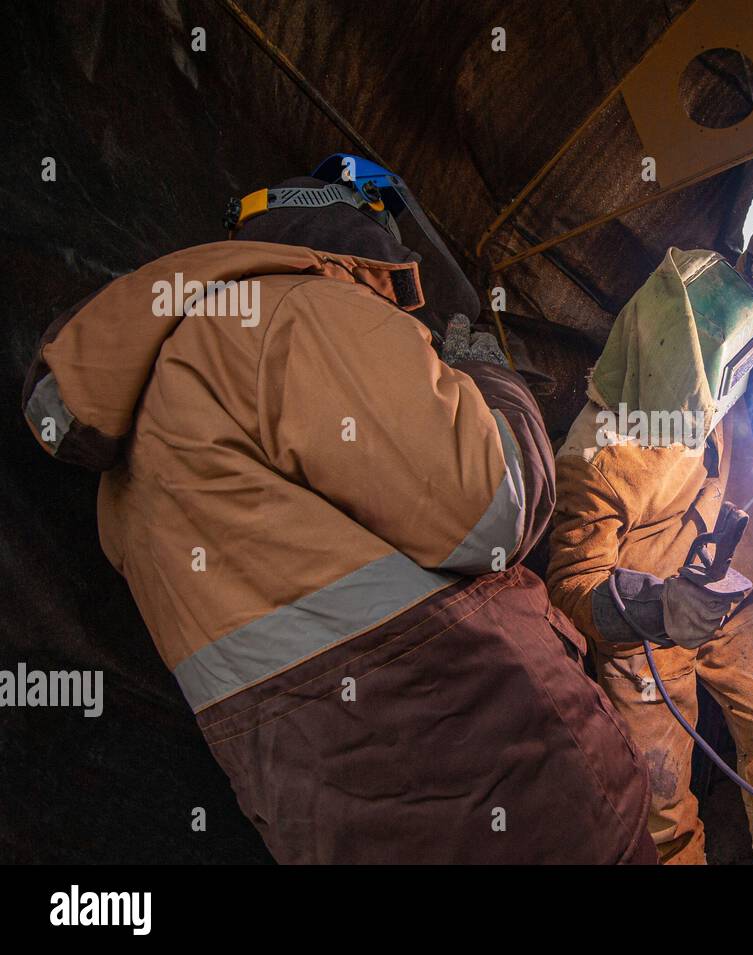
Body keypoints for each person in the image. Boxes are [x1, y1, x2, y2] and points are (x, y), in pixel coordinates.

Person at [21, 155, 655, 864]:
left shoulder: (135, 453)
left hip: (337, 820)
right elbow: (496, 509)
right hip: (500, 781)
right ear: (351, 241)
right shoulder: (307, 309)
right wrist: (488, 378)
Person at [546, 212, 753, 864]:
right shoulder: (595, 458)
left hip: (722, 600)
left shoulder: (709, 358)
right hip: (643, 636)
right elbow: (570, 584)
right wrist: (653, 607)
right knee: (664, 802)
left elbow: (725, 317)